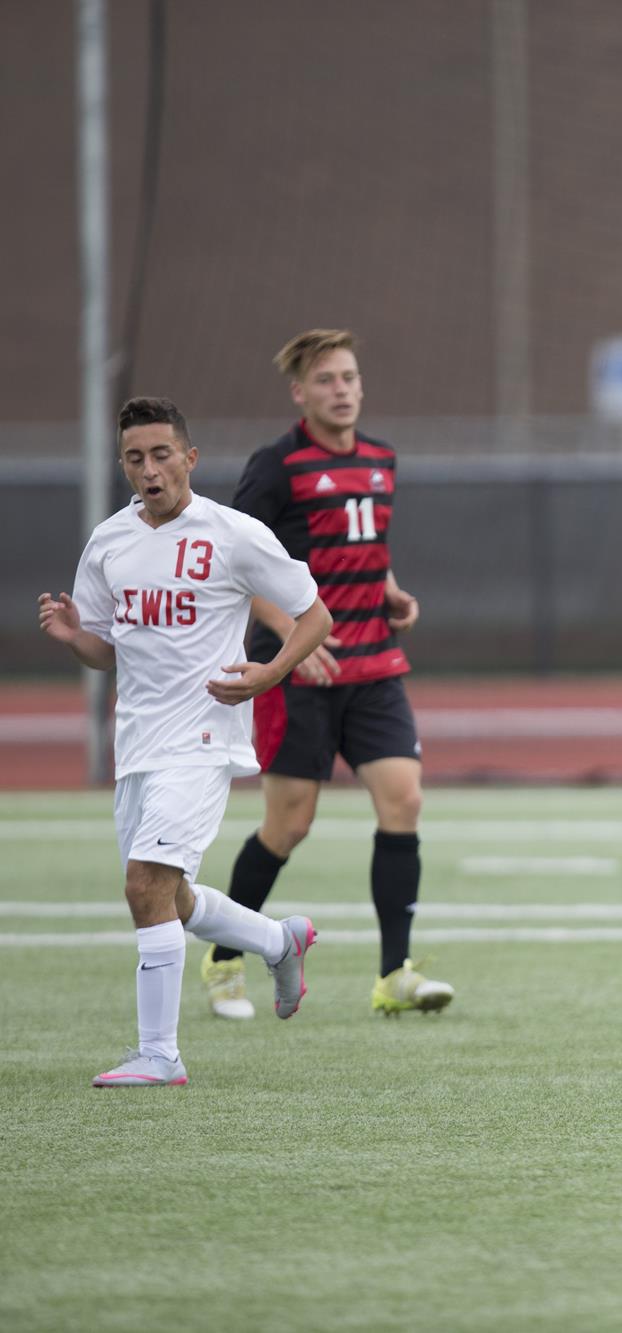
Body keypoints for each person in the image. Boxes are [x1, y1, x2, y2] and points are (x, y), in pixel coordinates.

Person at [38, 397, 332, 1087]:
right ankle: (277, 939)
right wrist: (75, 638)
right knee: (171, 897)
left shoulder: (233, 534)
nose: (150, 469)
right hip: (138, 743)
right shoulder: (109, 541)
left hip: (202, 737)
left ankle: (160, 1055)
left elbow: (313, 615)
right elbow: (106, 650)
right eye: (136, 457)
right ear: (123, 466)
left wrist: (268, 673)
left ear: (189, 458)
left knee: (145, 885)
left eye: (162, 454)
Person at [202, 329, 454, 1019]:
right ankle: (224, 959)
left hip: (373, 664)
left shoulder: (380, 459)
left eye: (348, 377)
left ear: (361, 385)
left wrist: (390, 588)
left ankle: (393, 975)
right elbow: (234, 562)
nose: (340, 389)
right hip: (300, 670)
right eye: (325, 380)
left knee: (403, 801)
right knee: (290, 824)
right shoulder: (276, 465)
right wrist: (291, 638)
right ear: (300, 393)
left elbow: (364, 542)